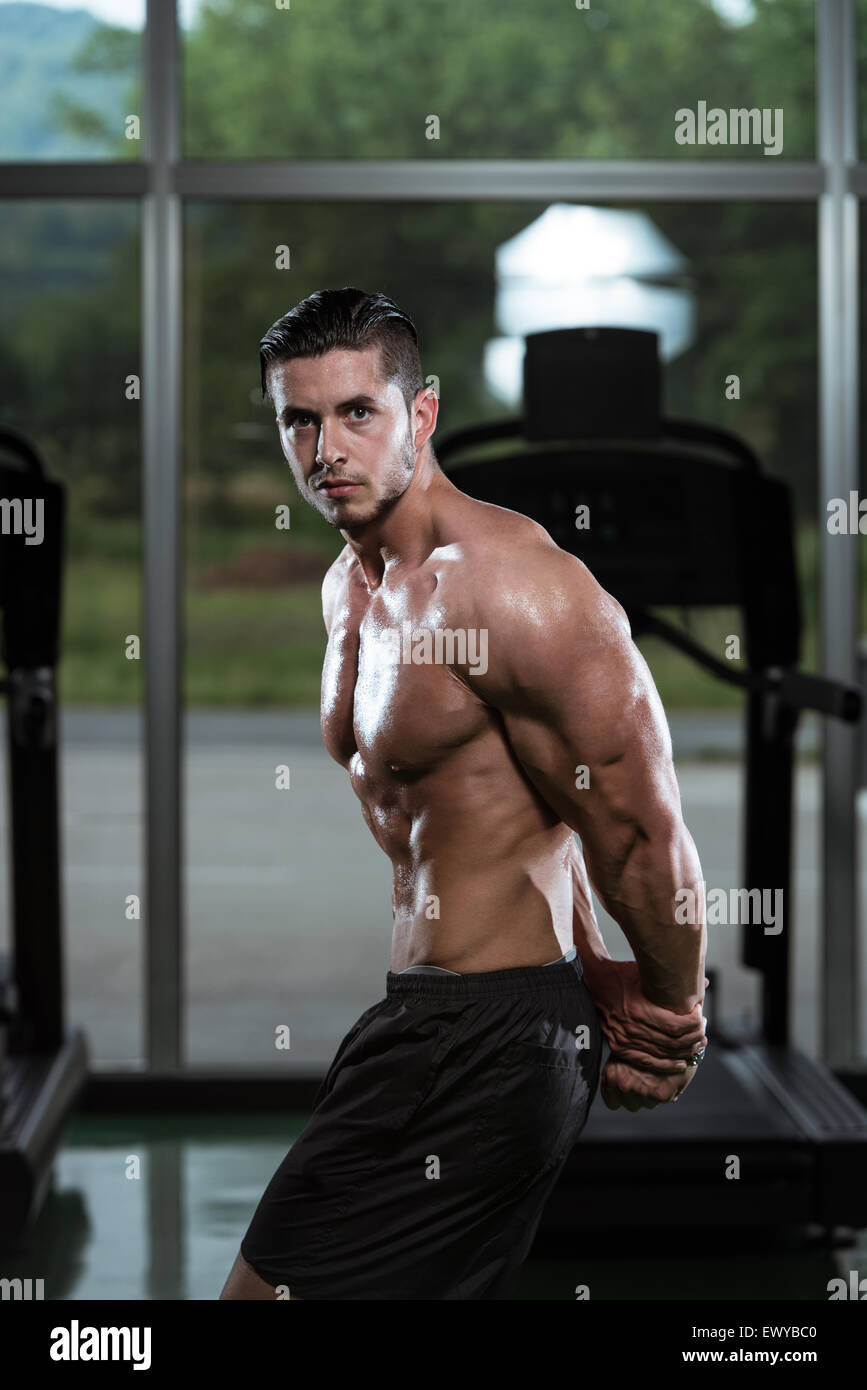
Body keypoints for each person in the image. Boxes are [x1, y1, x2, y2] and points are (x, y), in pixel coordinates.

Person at [220, 287, 708, 1301]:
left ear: (423, 414)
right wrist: (586, 953)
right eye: (298, 420)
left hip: (490, 1040)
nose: (325, 449)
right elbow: (535, 802)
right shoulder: (347, 587)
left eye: (358, 412)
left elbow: (635, 823)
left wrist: (667, 1006)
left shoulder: (509, 585)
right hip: (428, 1017)